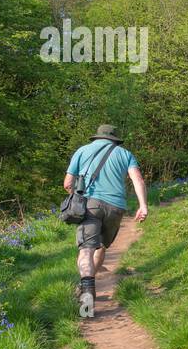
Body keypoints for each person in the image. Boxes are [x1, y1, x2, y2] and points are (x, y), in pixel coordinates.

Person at [63, 124, 149, 307]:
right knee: (100, 246)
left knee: (86, 249)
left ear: (97, 137)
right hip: (116, 207)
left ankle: (87, 294)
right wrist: (143, 206)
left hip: (90, 205)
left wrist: (76, 196)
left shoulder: (82, 151)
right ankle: (87, 286)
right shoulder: (125, 154)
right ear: (114, 138)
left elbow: (67, 183)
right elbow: (138, 180)